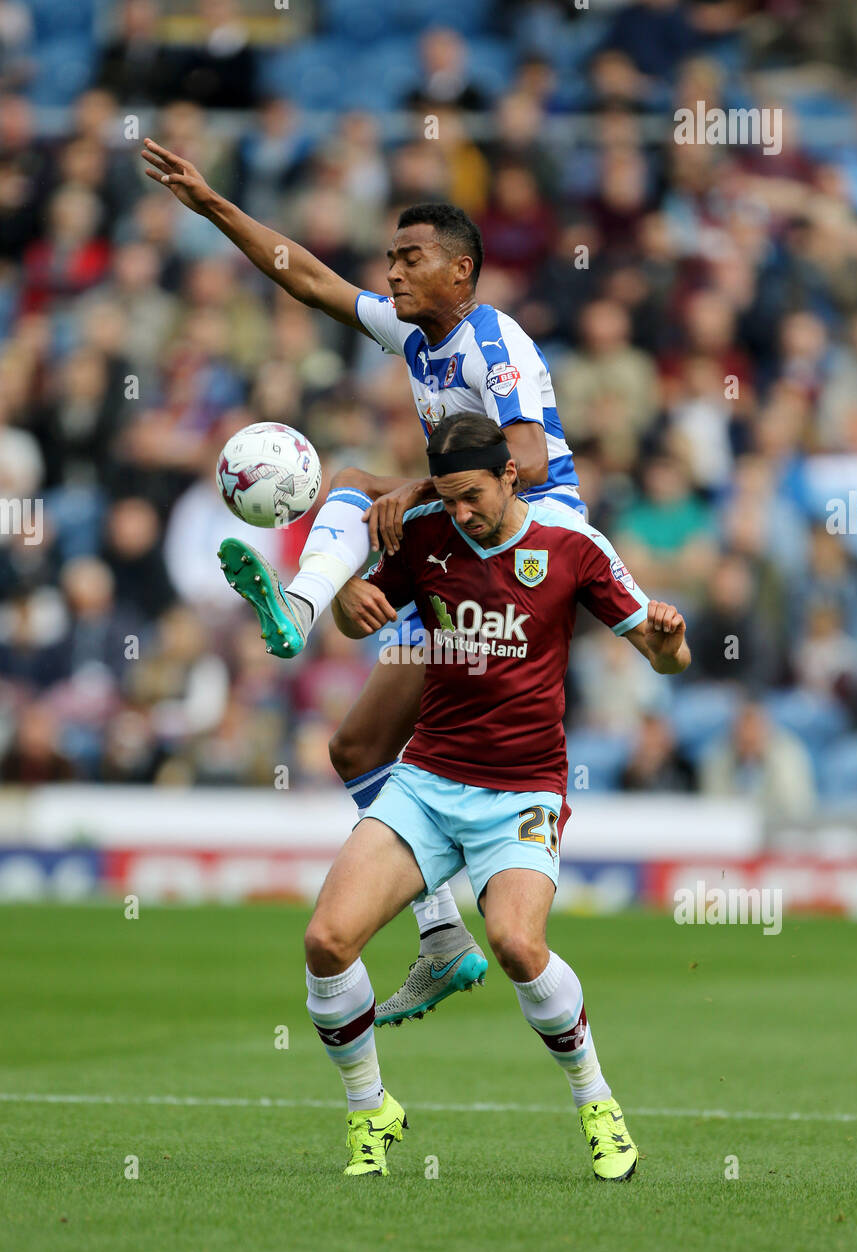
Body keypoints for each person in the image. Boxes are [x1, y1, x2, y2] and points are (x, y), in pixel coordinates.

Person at [140, 136, 587, 1024]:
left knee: (353, 487)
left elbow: (530, 458)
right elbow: (306, 279)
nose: (392, 272)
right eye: (388, 258)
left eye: (410, 258)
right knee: (353, 748)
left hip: (529, 542)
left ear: (462, 272)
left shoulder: (491, 339)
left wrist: (415, 490)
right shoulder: (416, 334)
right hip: (462, 538)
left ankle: (304, 602)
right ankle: (440, 934)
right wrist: (215, 206)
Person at [306, 412, 690, 1180]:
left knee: (517, 945)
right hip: (426, 779)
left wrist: (672, 637)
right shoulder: (423, 535)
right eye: (446, 499)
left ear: (511, 475)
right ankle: (369, 1113)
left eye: (472, 496)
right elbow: (357, 621)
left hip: (520, 787)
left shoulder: (572, 547)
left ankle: (597, 1103)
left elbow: (665, 657)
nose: (460, 514)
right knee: (326, 942)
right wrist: (350, 601)